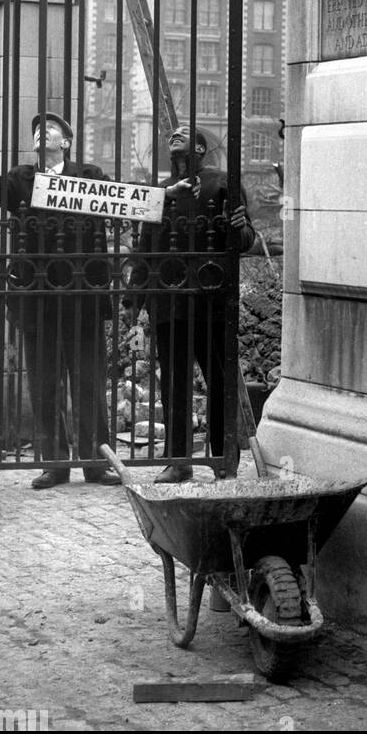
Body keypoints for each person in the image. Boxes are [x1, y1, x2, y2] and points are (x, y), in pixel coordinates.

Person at [0, 111, 121, 489]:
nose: (41, 133)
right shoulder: (22, 178)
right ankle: (55, 463)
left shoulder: (89, 177)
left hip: (82, 296)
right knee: (44, 381)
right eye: (36, 129)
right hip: (37, 297)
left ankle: (95, 461)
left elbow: (126, 201)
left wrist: (164, 194)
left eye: (49, 129)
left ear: (66, 142)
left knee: (88, 382)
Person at [127, 126, 255, 482]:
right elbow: (144, 251)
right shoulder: (160, 193)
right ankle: (179, 461)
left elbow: (246, 240)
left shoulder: (222, 182)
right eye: (171, 134)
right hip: (169, 304)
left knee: (218, 381)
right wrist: (133, 302)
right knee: (174, 384)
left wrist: (239, 227)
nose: (174, 135)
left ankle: (222, 458)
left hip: (211, 303)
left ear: (199, 147)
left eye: (184, 133)